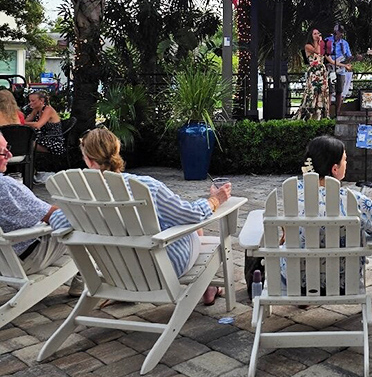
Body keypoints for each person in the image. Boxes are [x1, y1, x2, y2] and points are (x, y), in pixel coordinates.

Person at [77, 128, 233, 304]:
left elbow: (61, 222)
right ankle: (206, 286)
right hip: (163, 269)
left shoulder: (78, 195)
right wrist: (215, 200)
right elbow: (191, 214)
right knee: (194, 228)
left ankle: (206, 287)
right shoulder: (146, 186)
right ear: (117, 149)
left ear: (89, 160)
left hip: (115, 271)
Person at [281, 135, 372, 288]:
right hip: (341, 283)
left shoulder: (293, 193)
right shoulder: (352, 200)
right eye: (345, 159)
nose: (346, 163)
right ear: (335, 169)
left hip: (295, 281)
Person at [0, 131, 70, 274]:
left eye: (8, 148)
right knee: (84, 225)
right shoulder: (5, 186)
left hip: (5, 259)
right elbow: (52, 215)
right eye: (2, 152)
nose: (10, 155)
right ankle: (87, 280)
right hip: (21, 260)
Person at [295, 27, 330, 120]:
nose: (317, 35)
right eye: (315, 34)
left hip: (321, 71)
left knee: (322, 91)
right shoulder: (308, 46)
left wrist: (343, 65)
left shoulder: (321, 46)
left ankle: (321, 114)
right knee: (313, 91)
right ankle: (309, 114)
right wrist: (319, 42)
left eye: (318, 33)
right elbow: (317, 51)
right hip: (314, 72)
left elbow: (327, 57)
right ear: (311, 36)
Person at [24, 90, 65, 156]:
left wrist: (22, 123)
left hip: (52, 141)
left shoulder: (48, 110)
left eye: (33, 101)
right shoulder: (36, 110)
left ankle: (28, 161)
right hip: (43, 138)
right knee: (24, 141)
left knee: (26, 143)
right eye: (29, 101)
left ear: (42, 100)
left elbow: (38, 125)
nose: (30, 103)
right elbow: (26, 121)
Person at [325, 23, 353, 116]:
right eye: (339, 32)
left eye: (342, 32)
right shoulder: (328, 40)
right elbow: (324, 55)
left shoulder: (344, 43)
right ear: (335, 32)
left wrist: (356, 58)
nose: (341, 34)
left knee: (339, 91)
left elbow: (348, 56)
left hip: (341, 69)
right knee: (330, 91)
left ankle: (337, 113)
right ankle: (327, 113)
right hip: (330, 68)